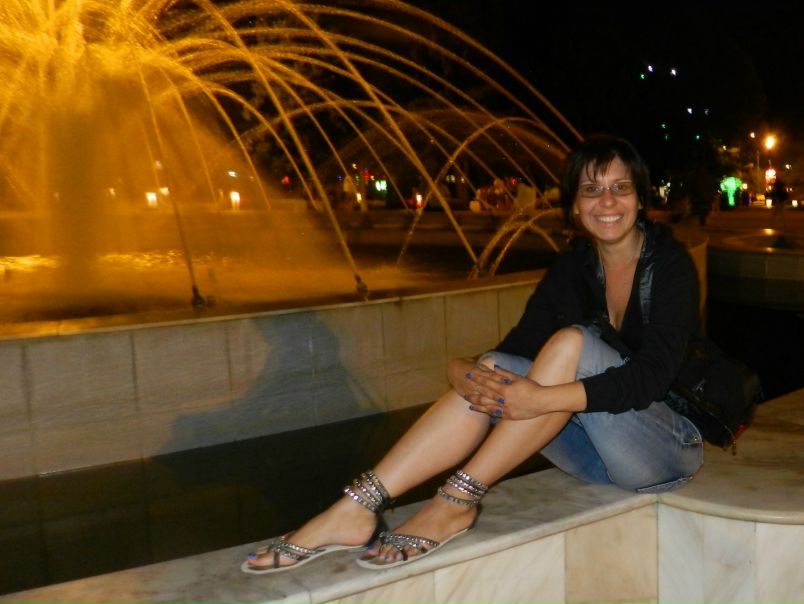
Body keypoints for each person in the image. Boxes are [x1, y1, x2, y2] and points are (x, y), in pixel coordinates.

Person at [241, 134, 704, 574]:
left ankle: (456, 502)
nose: (606, 202)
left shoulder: (670, 265)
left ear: (640, 199)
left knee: (571, 342)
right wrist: (462, 368)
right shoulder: (570, 271)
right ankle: (355, 507)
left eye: (620, 188)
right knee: (493, 368)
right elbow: (515, 349)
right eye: (591, 189)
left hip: (664, 453)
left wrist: (541, 399)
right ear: (574, 204)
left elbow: (652, 377)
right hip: (594, 460)